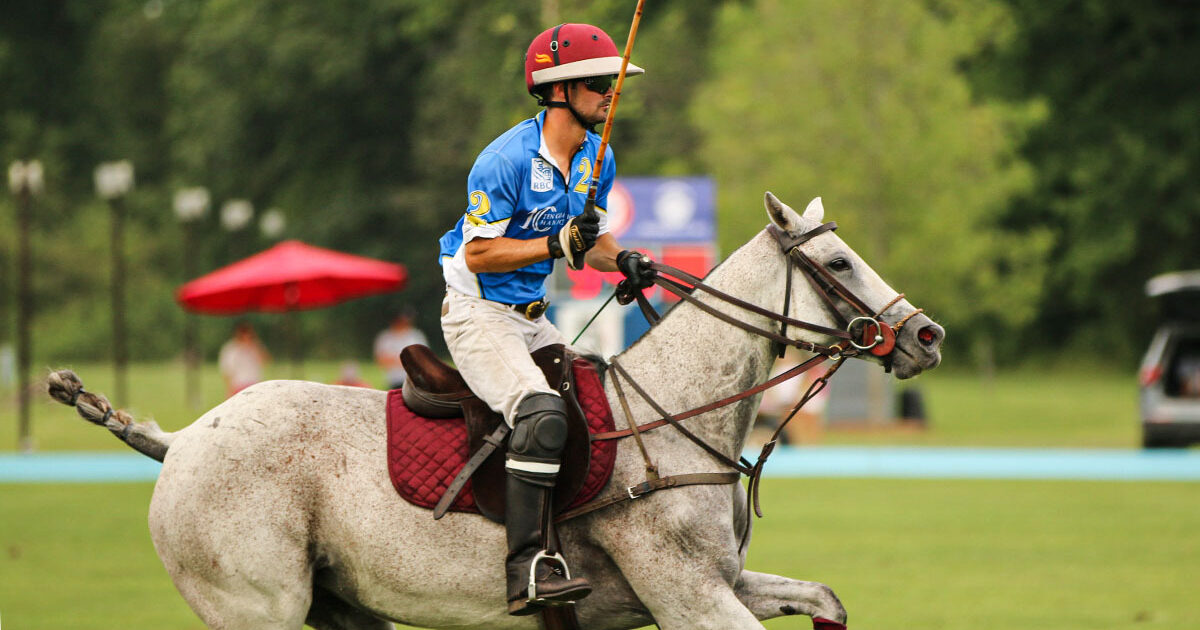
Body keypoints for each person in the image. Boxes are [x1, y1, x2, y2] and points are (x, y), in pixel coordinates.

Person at [436, 23, 656, 616]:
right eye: (599, 83)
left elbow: (591, 239)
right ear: (559, 90)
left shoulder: (597, 156)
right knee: (540, 412)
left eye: (612, 83)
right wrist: (556, 244)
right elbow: (478, 254)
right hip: (479, 312)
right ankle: (526, 568)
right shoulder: (504, 160)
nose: (611, 93)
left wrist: (623, 259)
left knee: (598, 409)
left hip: (534, 317)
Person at [374, 308, 428, 389]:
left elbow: (423, 359)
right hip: (394, 380)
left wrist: (396, 359)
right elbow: (381, 360)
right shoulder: (385, 337)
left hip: (414, 380)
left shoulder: (416, 336)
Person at [218, 321, 269, 398]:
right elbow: (227, 371)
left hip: (255, 384)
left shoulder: (255, 346)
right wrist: (229, 389)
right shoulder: (231, 349)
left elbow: (265, 360)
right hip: (239, 385)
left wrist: (255, 346)